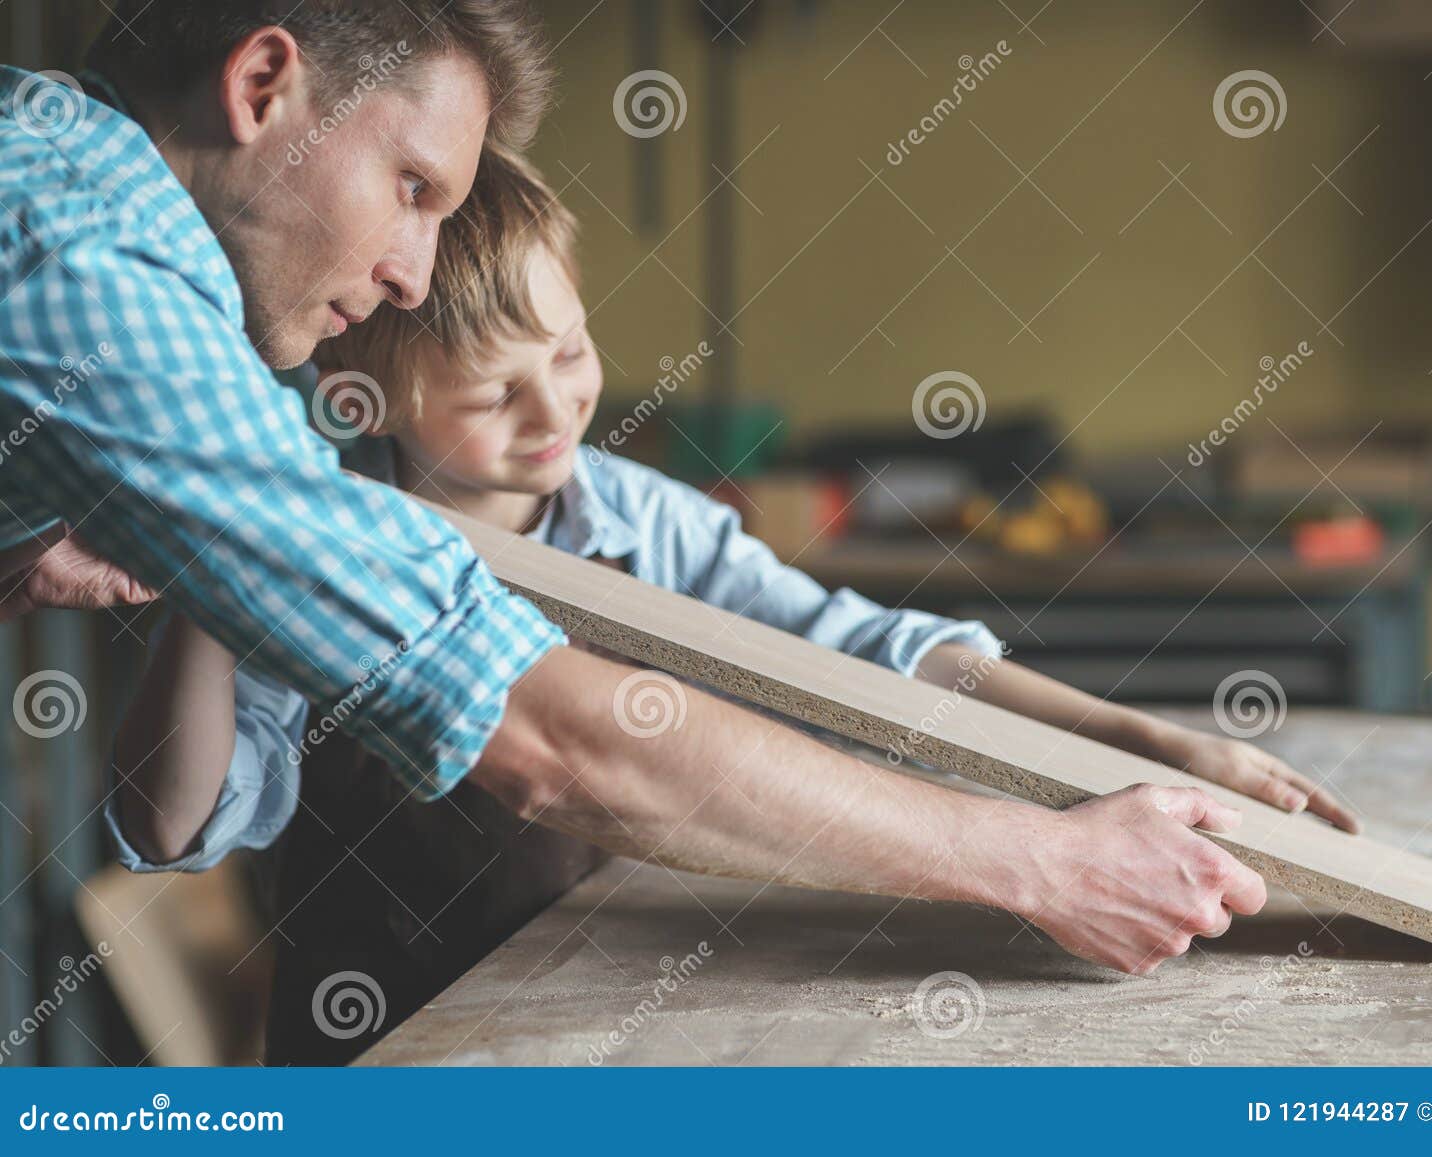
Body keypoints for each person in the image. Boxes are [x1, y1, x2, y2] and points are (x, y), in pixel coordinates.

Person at [108, 145, 1360, 1060]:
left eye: (572, 353)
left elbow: (871, 654)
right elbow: (171, 821)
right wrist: (220, 569)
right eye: (494, 395)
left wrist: (1132, 736)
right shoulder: (316, 541)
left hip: (598, 1015)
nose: (554, 412)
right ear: (363, 393)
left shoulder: (640, 520)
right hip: (382, 1039)